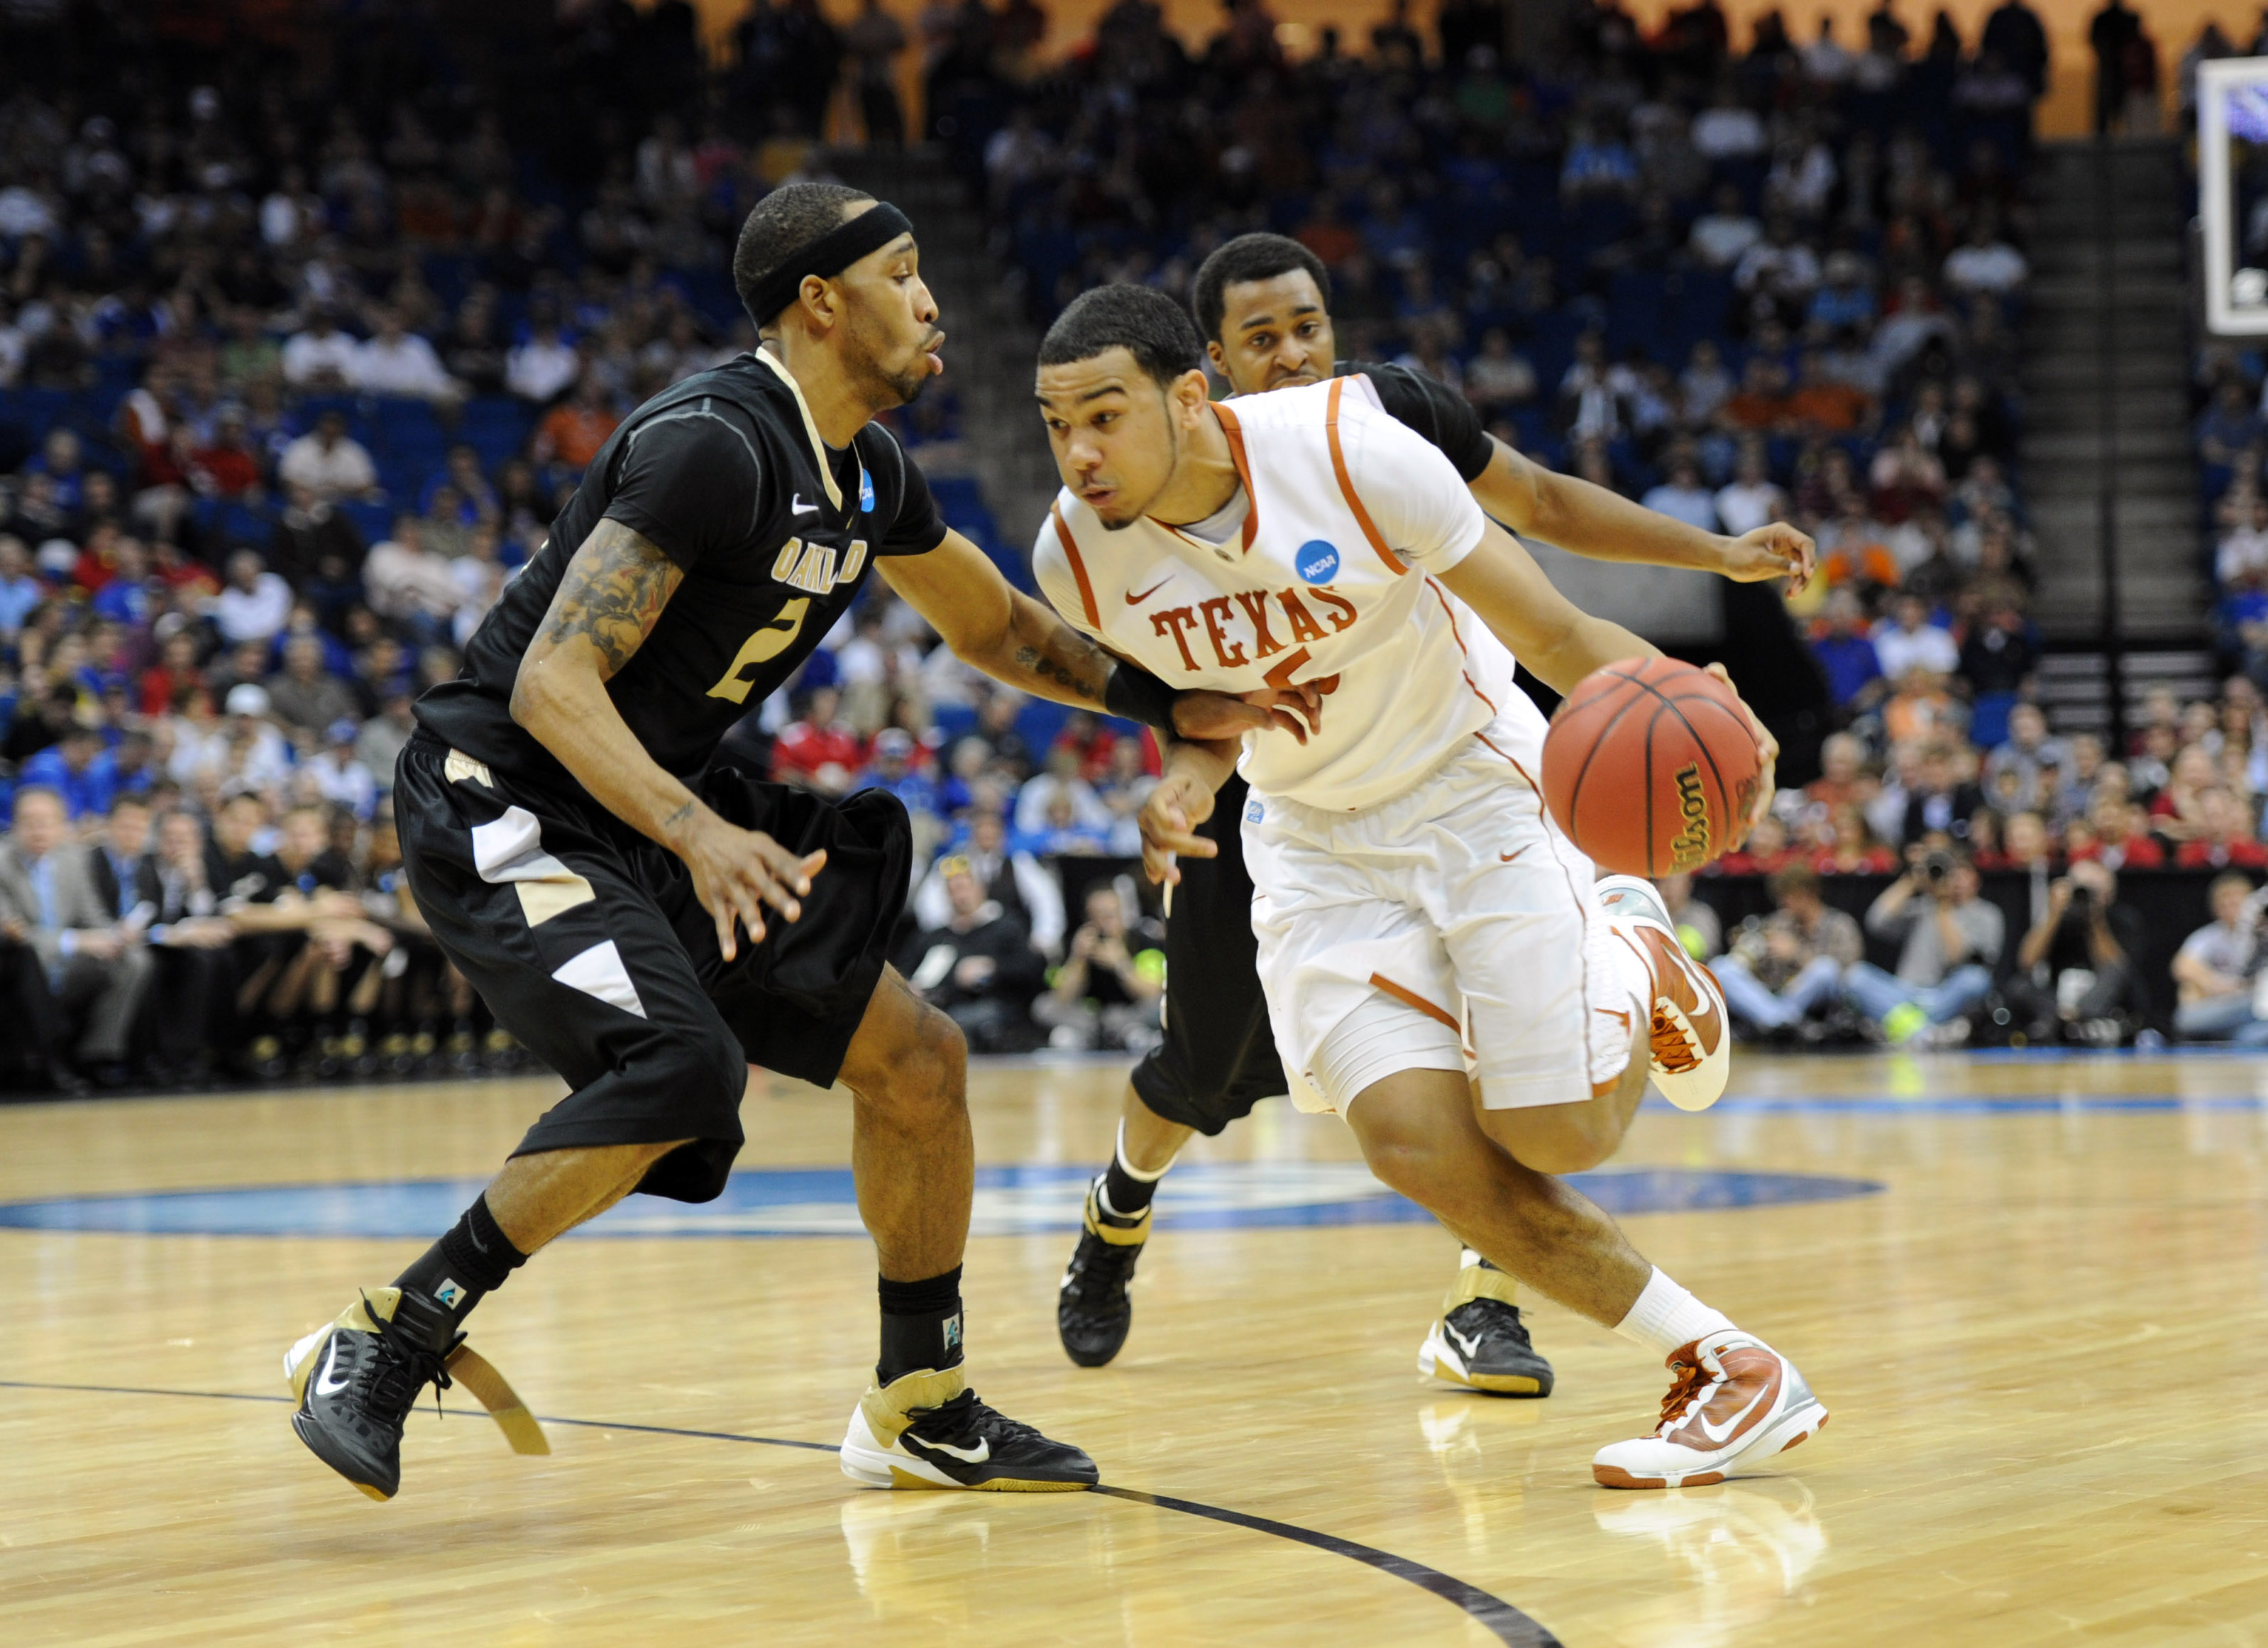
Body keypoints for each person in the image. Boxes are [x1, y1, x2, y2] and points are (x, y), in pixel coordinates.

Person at [282, 185, 1292, 1505]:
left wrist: (1165, 703)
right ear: (822, 301)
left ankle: (920, 1401)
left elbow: (996, 629)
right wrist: (700, 833)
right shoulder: (712, 442)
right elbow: (552, 684)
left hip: (655, 812)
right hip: (507, 798)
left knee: (921, 1061)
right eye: (905, 272)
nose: (933, 301)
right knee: (681, 1065)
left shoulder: (868, 468)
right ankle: (388, 1332)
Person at [1030, 282, 1827, 1490]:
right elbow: (1204, 711)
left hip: (1470, 788)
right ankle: (1724, 1365)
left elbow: (1554, 632)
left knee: (1554, 1130)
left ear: (1189, 396)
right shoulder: (1073, 556)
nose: (1078, 454)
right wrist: (1186, 783)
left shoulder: (1358, 450)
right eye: (1055, 425)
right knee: (1406, 1140)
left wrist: (1716, 710)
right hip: (1307, 838)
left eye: (1103, 415)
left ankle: (1632, 940)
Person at [0, 786, 153, 1083]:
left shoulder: (73, 860)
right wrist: (75, 941)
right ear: (15, 825)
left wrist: (114, 934)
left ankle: (98, 1054)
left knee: (134, 960)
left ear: (62, 826)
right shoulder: (2, 862)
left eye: (47, 822)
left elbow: (92, 916)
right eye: (29, 822)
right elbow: (12, 933)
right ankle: (49, 1062)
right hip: (24, 963)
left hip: (69, 966)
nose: (38, 830)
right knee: (26, 961)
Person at [1841, 850, 2003, 1043]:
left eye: (1962, 874)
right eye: (1951, 874)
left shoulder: (1986, 914)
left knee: (1976, 979)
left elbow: (1958, 956)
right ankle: (1926, 1031)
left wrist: (1943, 907)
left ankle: (1902, 1026)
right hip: (1903, 992)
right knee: (1855, 976)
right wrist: (1913, 879)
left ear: (1977, 879)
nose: (1955, 881)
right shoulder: (1923, 907)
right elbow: (1876, 921)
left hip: (1943, 996)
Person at [895, 855, 1045, 1051]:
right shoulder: (933, 936)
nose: (960, 895)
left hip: (995, 1010)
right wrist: (910, 985)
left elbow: (1032, 970)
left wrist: (992, 968)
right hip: (938, 1007)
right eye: (953, 890)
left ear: (981, 889)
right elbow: (903, 970)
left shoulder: (1007, 927)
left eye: (965, 887)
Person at [2003, 857, 2147, 1045]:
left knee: (2116, 971)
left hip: (2100, 996)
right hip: (2059, 998)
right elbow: (2027, 961)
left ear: (2110, 893)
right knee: (2019, 986)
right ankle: (2070, 1023)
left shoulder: (2123, 920)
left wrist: (2096, 920)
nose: (2083, 896)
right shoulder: (2060, 919)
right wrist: (2054, 912)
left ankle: (2070, 1021)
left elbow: (2115, 967)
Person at [1718, 864, 1863, 1038]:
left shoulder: (1841, 925)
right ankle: (1780, 1022)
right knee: (1722, 968)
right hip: (1777, 996)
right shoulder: (1777, 923)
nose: (1784, 903)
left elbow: (1848, 975)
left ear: (1810, 894)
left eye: (1790, 896)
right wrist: (1748, 950)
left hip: (1814, 1000)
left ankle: (1776, 1022)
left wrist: (1798, 954)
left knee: (1826, 968)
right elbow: (1756, 972)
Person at [1034, 882, 1165, 1050]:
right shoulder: (1074, 942)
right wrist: (1078, 959)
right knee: (1043, 1005)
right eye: (1096, 917)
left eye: (1110, 916)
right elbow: (1061, 998)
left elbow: (1151, 993)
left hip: (1129, 1013)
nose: (1104, 924)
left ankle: (1132, 1035)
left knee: (1157, 1006)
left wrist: (1120, 964)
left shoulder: (1143, 942)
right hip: (1089, 1016)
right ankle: (1080, 1037)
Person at [2172, 872, 2268, 1044]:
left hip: (2255, 999)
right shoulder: (2210, 935)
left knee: (2248, 1035)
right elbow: (2182, 965)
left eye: (2236, 903)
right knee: (2186, 1018)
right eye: (2224, 904)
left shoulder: (2261, 934)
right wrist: (2216, 984)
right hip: (2228, 1004)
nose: (2231, 909)